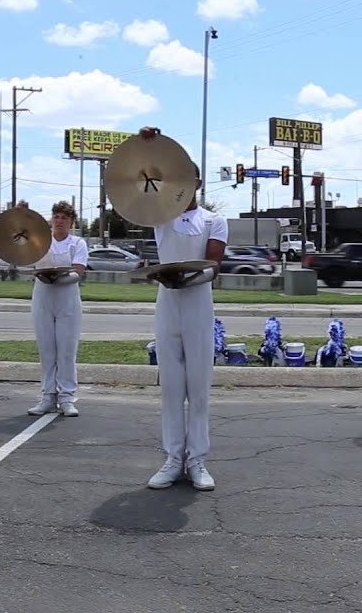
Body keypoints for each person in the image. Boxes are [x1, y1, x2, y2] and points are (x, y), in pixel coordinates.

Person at [136, 126, 227, 491]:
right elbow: (137, 185)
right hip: (168, 303)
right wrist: (150, 146)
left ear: (198, 183)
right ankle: (173, 459)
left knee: (199, 387)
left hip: (198, 302)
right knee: (171, 387)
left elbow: (213, 265)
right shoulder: (161, 215)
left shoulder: (213, 220)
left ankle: (197, 460)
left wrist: (188, 279)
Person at [26, 200, 89, 417]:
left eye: (64, 217)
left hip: (67, 298)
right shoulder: (41, 241)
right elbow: (22, 250)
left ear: (71, 222)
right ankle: (48, 397)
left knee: (66, 350)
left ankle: (67, 397)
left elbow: (78, 271)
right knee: (47, 350)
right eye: (57, 217)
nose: (60, 221)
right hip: (43, 296)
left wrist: (57, 279)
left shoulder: (77, 243)